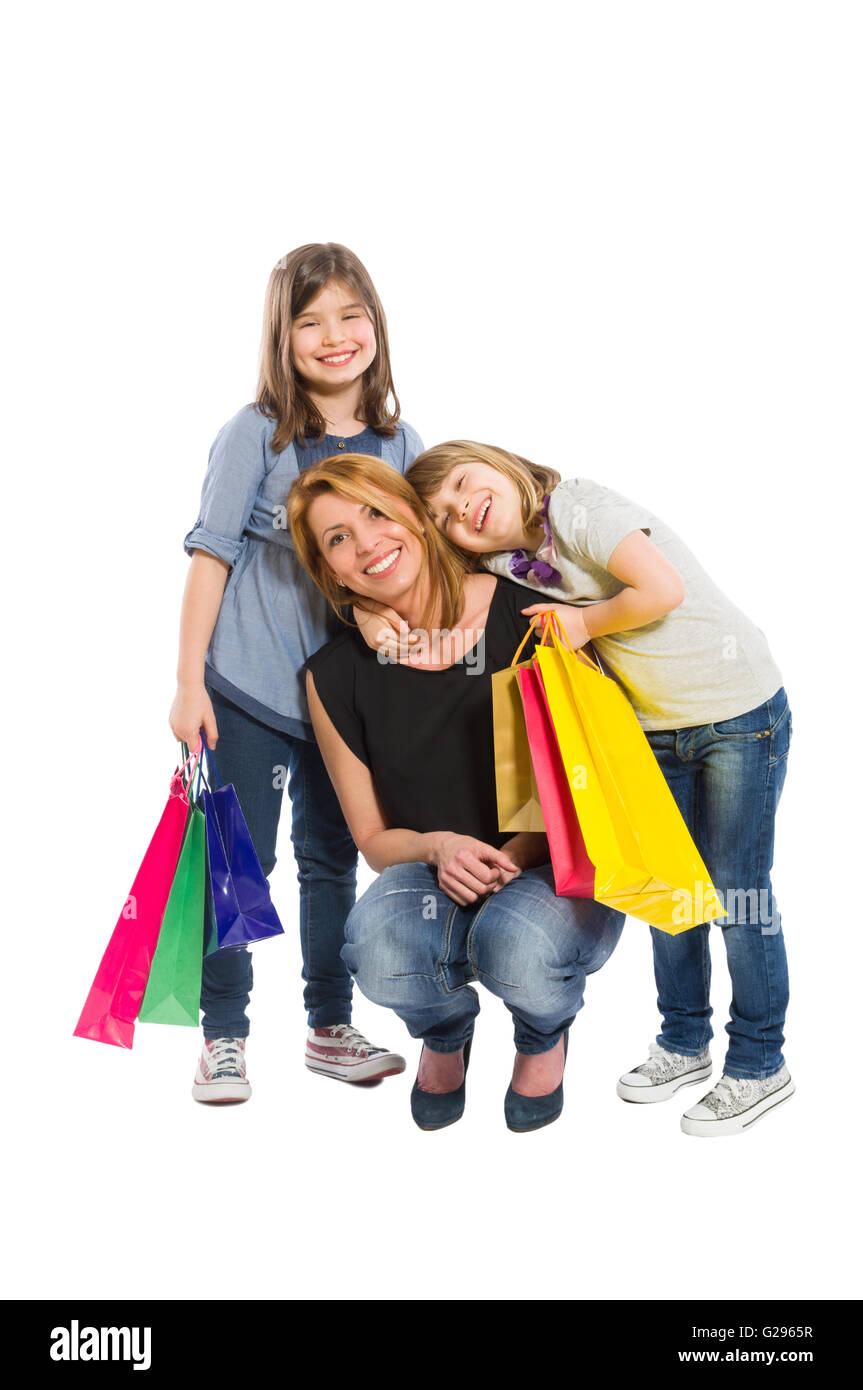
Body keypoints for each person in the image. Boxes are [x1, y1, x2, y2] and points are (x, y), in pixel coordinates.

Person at [405, 440, 794, 1138]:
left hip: (735, 713)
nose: (464, 507)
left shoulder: (577, 507)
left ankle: (761, 1062)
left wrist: (583, 622)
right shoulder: (502, 560)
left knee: (737, 890)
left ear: (501, 462)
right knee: (668, 886)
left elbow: (661, 590)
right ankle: (683, 1042)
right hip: (652, 729)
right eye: (445, 516)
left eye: (464, 483)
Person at [286, 455, 624, 1133]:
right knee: (378, 951)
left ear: (413, 513)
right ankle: (444, 1029)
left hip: (558, 861)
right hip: (433, 874)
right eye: (338, 539)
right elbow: (374, 840)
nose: (367, 543)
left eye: (376, 514)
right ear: (332, 573)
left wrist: (513, 855)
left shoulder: (531, 613)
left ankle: (541, 1029)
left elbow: (602, 778)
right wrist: (439, 847)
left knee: (516, 948)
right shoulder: (333, 676)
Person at [170, 243, 423, 1103]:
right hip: (250, 688)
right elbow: (210, 554)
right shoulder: (255, 435)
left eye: (351, 315)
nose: (333, 336)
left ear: (376, 327)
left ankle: (328, 1024)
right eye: (309, 321)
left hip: (347, 702)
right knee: (240, 865)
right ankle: (225, 1037)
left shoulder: (399, 442)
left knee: (331, 859)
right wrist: (188, 681)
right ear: (283, 338)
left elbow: (414, 567)